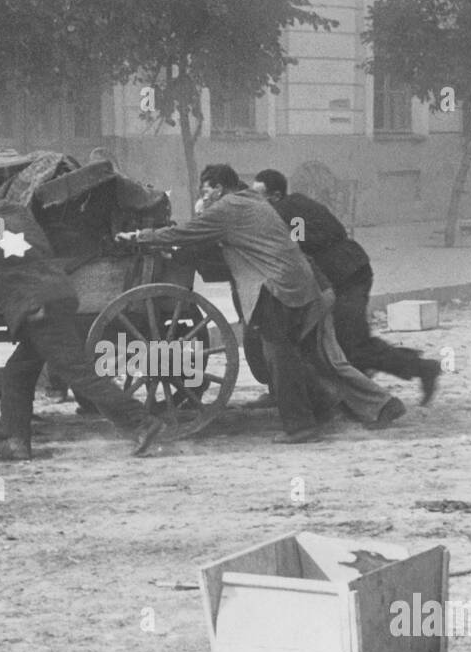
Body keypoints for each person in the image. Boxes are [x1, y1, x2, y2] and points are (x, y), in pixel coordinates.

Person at [120, 164, 405, 443]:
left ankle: (301, 426)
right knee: (315, 357)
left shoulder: (228, 208)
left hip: (277, 290)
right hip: (300, 284)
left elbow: (185, 233)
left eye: (206, 191)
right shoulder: (250, 201)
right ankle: (377, 404)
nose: (204, 196)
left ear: (219, 188)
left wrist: (141, 237)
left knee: (281, 358)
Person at [0, 175, 164, 460]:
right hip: (54, 297)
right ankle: (13, 441)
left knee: (79, 373)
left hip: (38, 307)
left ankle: (142, 421)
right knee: (17, 374)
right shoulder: (20, 214)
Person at [253, 170, 440, 405]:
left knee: (353, 344)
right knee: (343, 342)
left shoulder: (289, 212)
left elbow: (297, 244)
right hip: (348, 269)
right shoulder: (297, 204)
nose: (254, 202)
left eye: (258, 195)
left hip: (347, 276)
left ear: (276, 195)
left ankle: (422, 368)